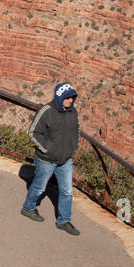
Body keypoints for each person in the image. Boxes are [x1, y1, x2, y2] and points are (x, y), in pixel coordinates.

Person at [21, 82, 82, 235]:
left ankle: (64, 220)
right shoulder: (46, 111)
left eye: (73, 98)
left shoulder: (72, 112)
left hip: (65, 159)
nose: (71, 101)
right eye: (68, 98)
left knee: (67, 191)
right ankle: (28, 208)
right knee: (40, 186)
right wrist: (47, 149)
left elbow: (76, 130)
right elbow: (33, 132)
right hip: (46, 159)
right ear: (59, 97)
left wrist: (73, 146)